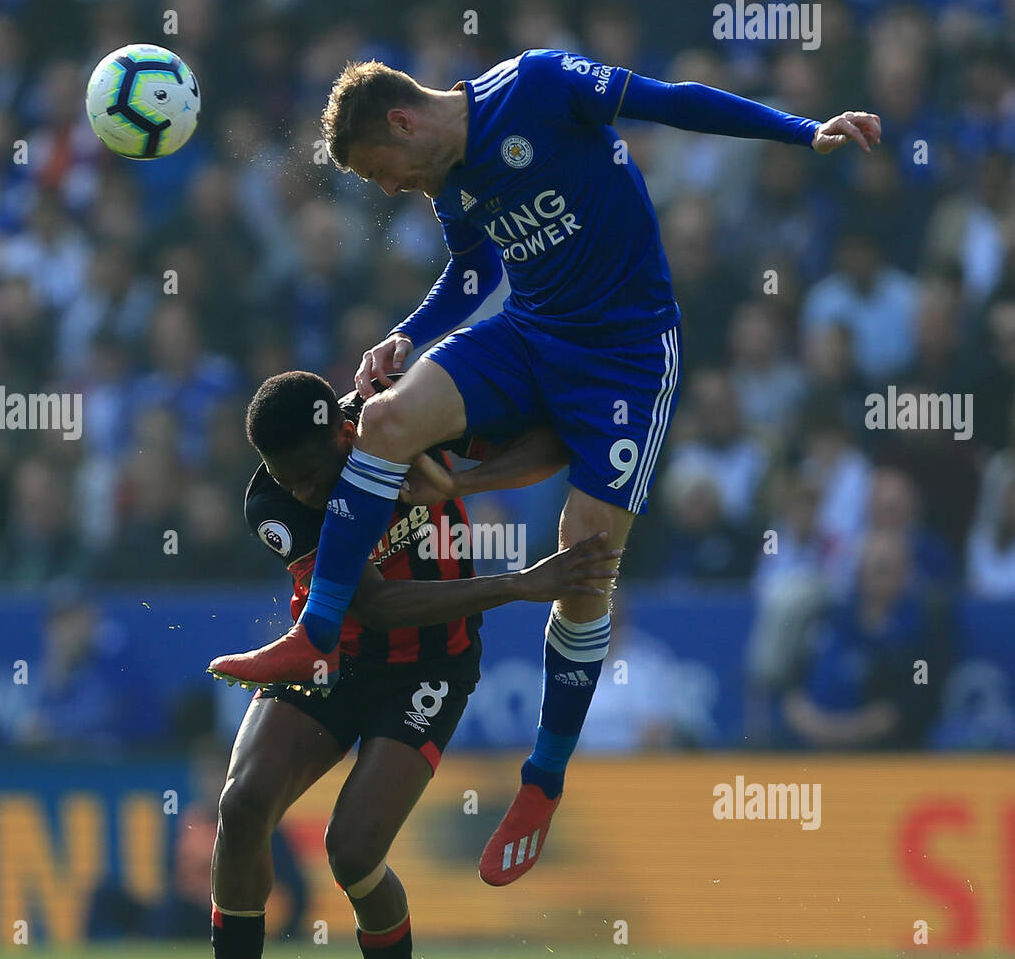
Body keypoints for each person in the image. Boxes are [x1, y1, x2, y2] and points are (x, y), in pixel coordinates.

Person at [209, 49, 881, 886]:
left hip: (627, 358)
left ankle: (542, 779)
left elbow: (670, 100)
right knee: (383, 419)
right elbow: (473, 271)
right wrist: (408, 334)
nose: (392, 193)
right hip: (529, 334)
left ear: (402, 122)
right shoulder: (448, 179)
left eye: (385, 174)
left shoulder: (537, 87)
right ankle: (318, 631)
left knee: (585, 566)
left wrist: (800, 130)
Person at [208, 370, 616, 959]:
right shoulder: (271, 503)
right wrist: (519, 583)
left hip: (431, 668)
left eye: (310, 475)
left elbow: (550, 434)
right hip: (332, 655)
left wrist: (470, 479)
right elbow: (377, 604)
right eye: (286, 479)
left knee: (353, 850)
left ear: (343, 433)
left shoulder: (407, 418)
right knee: (241, 807)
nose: (302, 493)